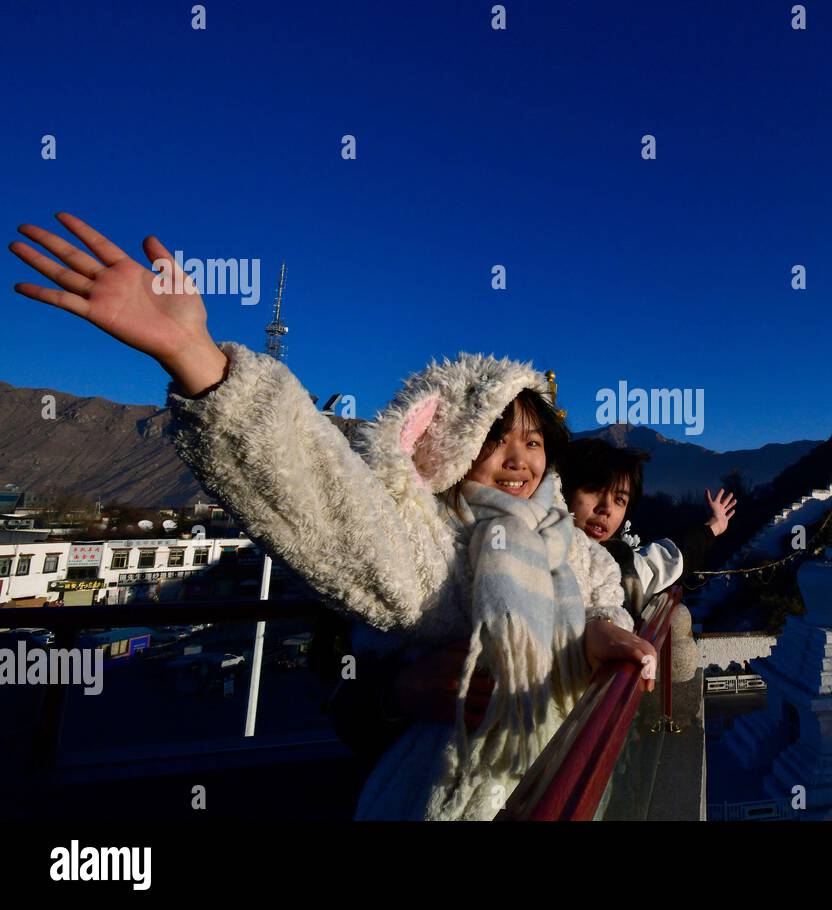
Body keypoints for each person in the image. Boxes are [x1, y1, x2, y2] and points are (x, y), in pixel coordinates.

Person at [8, 214, 653, 820]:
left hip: (567, 777)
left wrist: (600, 632)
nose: (518, 460)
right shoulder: (434, 544)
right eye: (493, 438)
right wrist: (197, 358)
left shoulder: (563, 541)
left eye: (533, 441)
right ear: (448, 445)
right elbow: (331, 507)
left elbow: (605, 599)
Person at [559, 438, 736, 627]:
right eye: (594, 490)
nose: (606, 508)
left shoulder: (621, 565)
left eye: (619, 499)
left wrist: (714, 527)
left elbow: (667, 560)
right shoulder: (541, 553)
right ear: (565, 490)